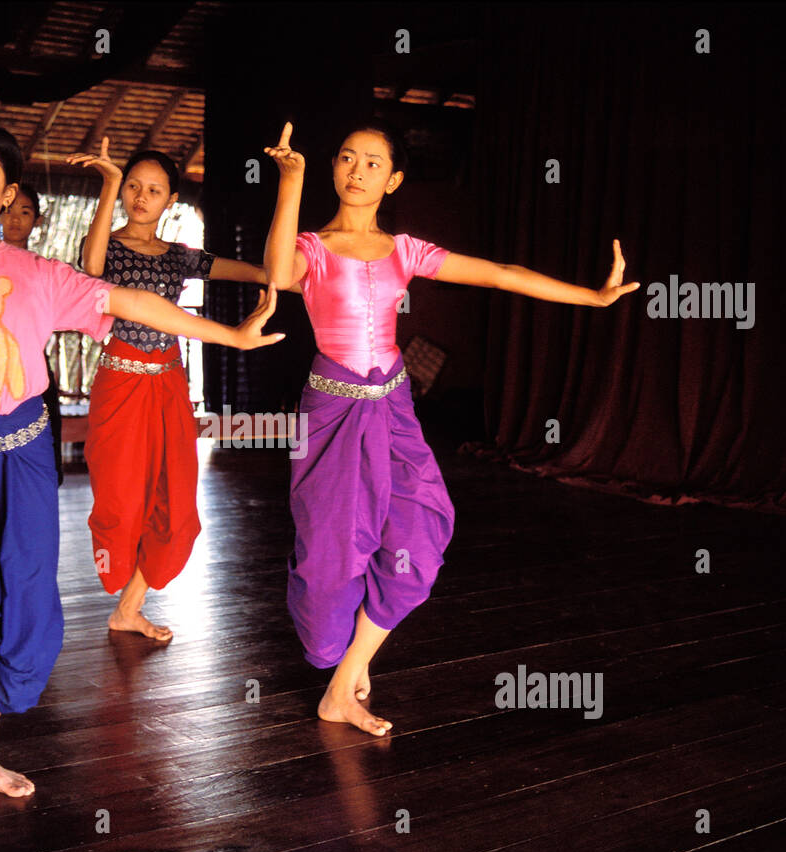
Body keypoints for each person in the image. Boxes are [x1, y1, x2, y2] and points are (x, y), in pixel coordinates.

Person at [0, 115, 281, 797]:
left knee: (33, 593)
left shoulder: (38, 273)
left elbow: (131, 301)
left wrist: (228, 337)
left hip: (26, 453)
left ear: (9, 192)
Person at [263, 120, 640, 736]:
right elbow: (278, 276)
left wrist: (591, 298)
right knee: (332, 556)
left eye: (374, 163)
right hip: (331, 413)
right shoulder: (311, 245)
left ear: (395, 180)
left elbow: (499, 273)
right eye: (347, 158)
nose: (358, 171)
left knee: (421, 528)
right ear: (331, 167)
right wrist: (290, 180)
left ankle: (345, 681)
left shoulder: (406, 250)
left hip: (392, 407)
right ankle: (340, 673)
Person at [69, 136, 280, 640]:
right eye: (134, 187)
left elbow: (253, 272)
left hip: (168, 386)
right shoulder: (108, 245)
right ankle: (119, 586)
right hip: (119, 383)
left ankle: (130, 607)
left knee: (177, 501)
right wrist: (108, 185)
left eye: (154, 190)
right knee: (121, 499)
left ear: (171, 201)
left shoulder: (180, 257)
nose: (142, 196)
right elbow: (91, 268)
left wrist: (280, 281)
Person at [0, 182, 64, 484]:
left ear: (37, 220)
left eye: (24, 212)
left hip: (33, 372)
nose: (14, 219)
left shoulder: (44, 270)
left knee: (40, 468)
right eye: (8, 211)